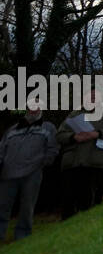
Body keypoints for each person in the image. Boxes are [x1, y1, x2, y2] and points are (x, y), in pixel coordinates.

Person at [57, 86, 103, 218]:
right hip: (72, 163)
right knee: (68, 201)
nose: (92, 98)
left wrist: (97, 134)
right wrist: (73, 137)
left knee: (89, 201)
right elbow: (59, 135)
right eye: (89, 95)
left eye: (95, 95)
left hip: (93, 162)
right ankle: (65, 230)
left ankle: (88, 228)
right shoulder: (74, 114)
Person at [0, 95, 58, 241]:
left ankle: (22, 236)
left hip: (32, 174)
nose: (33, 109)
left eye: (37, 106)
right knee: (2, 206)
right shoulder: (13, 129)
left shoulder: (48, 127)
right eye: (31, 106)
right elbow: (1, 149)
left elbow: (53, 148)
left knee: (27, 207)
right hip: (8, 174)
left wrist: (44, 162)